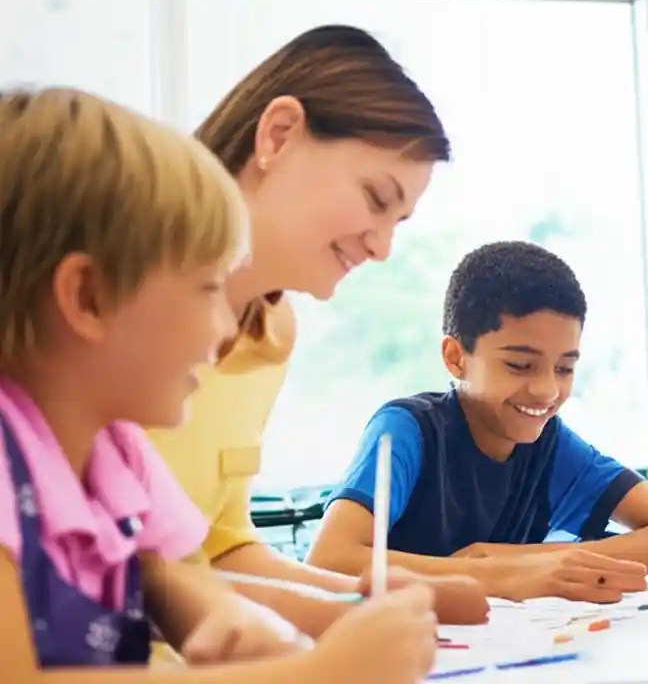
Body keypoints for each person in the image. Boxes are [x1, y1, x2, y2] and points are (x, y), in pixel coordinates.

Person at [0, 87, 438, 683]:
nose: (228, 325)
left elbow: (159, 570)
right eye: (209, 289)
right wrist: (316, 674)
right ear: (88, 297)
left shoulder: (117, 450)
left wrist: (219, 614)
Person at [143, 25, 488, 641]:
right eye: (376, 198)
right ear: (278, 135)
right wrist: (338, 617)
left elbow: (216, 554)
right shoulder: (119, 312)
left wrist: (374, 596)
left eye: (400, 221)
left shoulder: (270, 335)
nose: (383, 247)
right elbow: (129, 576)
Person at [308, 242, 648, 601]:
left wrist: (528, 560)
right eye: (520, 365)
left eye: (565, 368)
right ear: (455, 357)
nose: (547, 391)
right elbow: (330, 558)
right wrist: (492, 574)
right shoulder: (408, 430)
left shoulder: (549, 444)